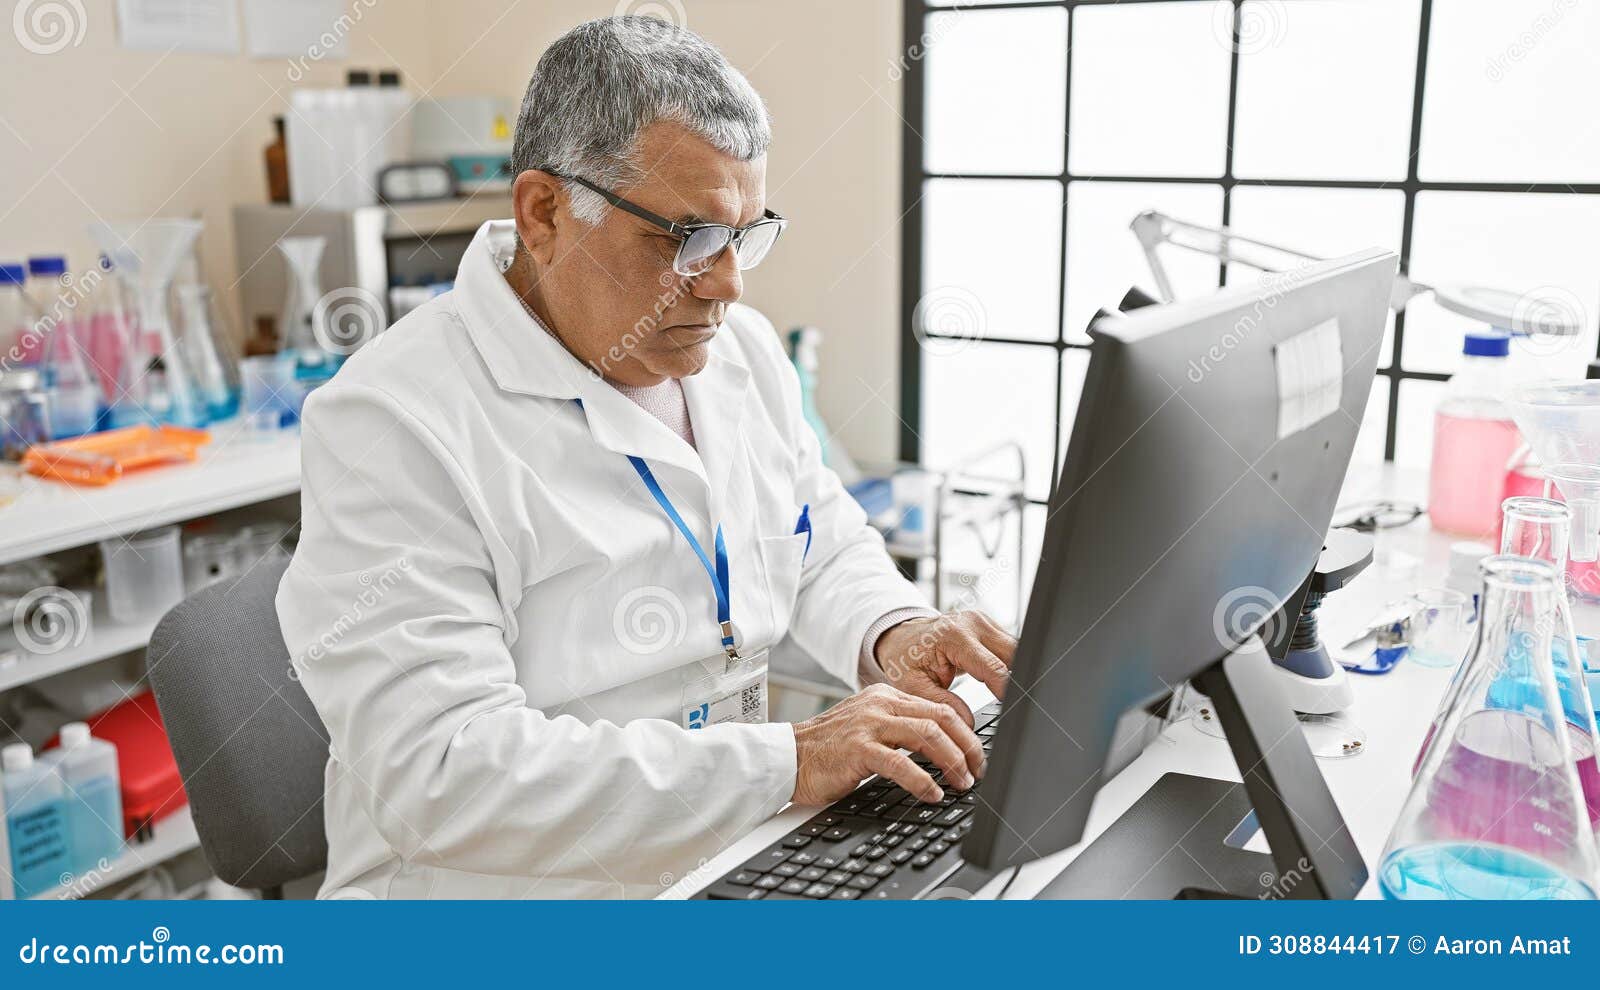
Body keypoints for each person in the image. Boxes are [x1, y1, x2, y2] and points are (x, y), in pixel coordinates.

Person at [275, 15, 1015, 899]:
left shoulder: (742, 356)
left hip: (728, 850)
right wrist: (790, 760)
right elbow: (441, 772)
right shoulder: (393, 422)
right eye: (687, 237)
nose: (729, 283)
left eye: (743, 234)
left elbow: (817, 545)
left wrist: (892, 631)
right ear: (544, 212)